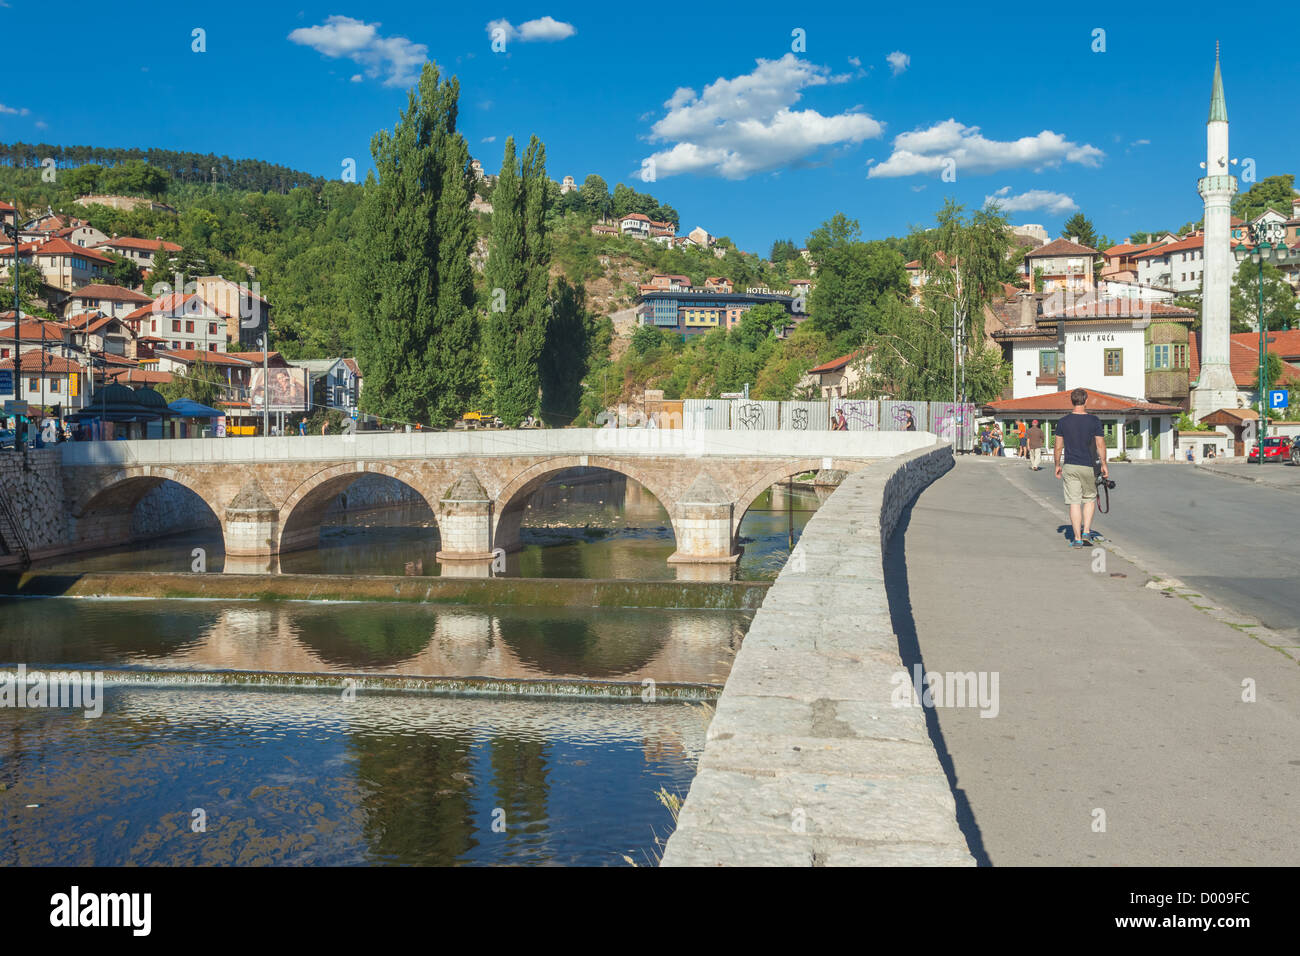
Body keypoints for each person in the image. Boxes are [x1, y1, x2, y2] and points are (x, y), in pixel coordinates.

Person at [1054, 388, 1107, 547]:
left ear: (1072, 401)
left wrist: (1057, 465)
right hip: (1089, 466)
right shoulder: (1094, 420)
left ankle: (1077, 539)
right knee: (1090, 499)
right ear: (1086, 400)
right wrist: (1104, 464)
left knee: (1074, 502)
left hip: (1070, 465)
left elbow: (1058, 447)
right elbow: (1100, 444)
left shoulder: (1063, 422)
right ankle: (1086, 532)